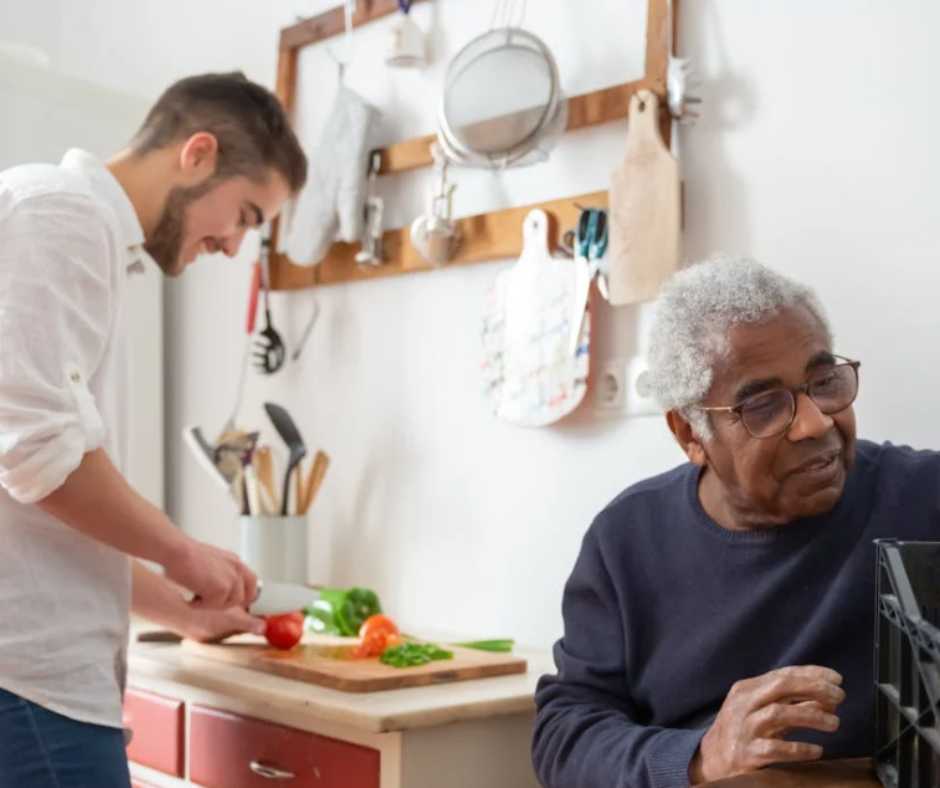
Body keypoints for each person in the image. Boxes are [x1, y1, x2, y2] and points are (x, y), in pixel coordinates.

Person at [0, 72, 308, 786]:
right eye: (247, 215)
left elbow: (43, 496)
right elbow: (37, 456)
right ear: (197, 154)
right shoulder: (60, 217)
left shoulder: (84, 235)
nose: (234, 246)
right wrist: (183, 551)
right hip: (28, 680)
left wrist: (180, 609)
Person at [532, 256, 938, 787]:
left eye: (824, 381)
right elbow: (566, 734)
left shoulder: (923, 498)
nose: (816, 423)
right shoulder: (627, 541)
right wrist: (702, 756)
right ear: (690, 434)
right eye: (765, 406)